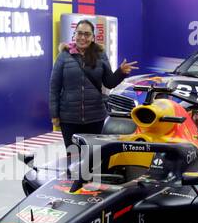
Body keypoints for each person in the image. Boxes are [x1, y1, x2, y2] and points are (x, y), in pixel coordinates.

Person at [49, 19, 135, 151]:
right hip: (69, 118)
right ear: (74, 35)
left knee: (94, 157)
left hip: (95, 118)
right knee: (74, 157)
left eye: (87, 34)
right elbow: (54, 88)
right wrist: (54, 115)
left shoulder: (100, 55)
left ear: (93, 37)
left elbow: (109, 82)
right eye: (80, 33)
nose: (83, 37)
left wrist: (120, 72)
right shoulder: (63, 56)